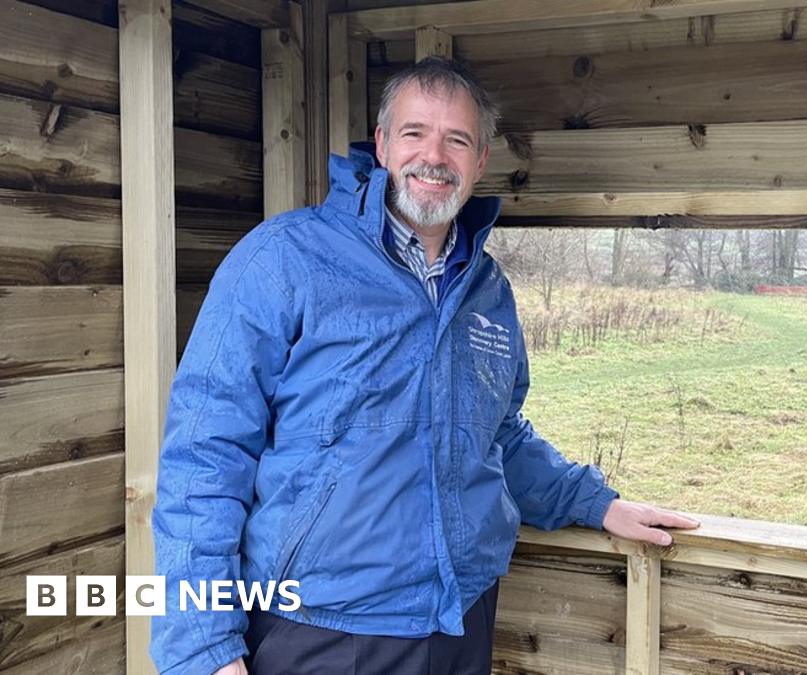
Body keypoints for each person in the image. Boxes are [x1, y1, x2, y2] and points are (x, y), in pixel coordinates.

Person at [149, 56, 699, 675]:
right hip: (319, 629)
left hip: (459, 621)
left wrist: (593, 502)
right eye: (415, 133)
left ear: (480, 160)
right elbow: (205, 455)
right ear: (383, 145)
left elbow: (495, 434)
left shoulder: (487, 288)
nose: (433, 156)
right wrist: (202, 648)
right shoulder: (283, 261)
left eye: (456, 139)